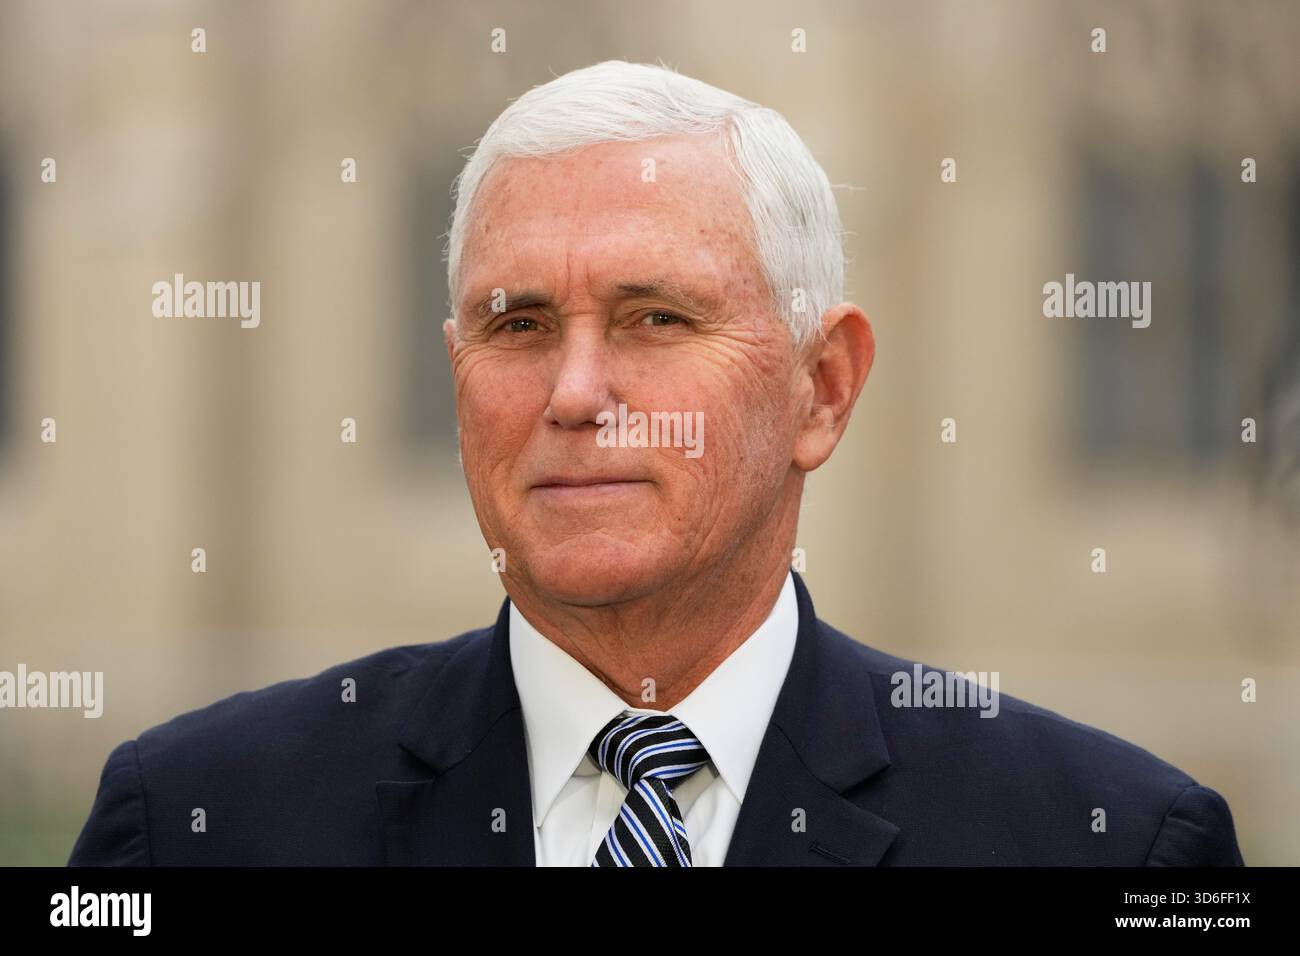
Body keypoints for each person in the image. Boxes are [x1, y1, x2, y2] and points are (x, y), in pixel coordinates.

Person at [68, 60, 1243, 867]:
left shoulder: (1113, 842)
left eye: (656, 319)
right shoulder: (192, 821)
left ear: (821, 386)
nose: (574, 394)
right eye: (517, 325)